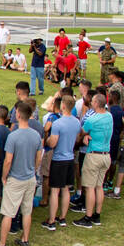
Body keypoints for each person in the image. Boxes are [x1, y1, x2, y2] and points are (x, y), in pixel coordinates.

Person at [41, 92, 80, 231]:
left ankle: (51, 220)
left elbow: (52, 144)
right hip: (69, 158)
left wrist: (47, 136)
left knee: (55, 190)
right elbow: (76, 138)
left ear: (63, 106)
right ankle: (62, 217)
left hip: (58, 159)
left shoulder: (57, 123)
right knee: (66, 189)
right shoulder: (76, 122)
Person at [74, 93, 112, 228]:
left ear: (96, 103)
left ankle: (88, 217)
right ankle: (97, 214)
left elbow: (81, 133)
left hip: (94, 155)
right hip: (106, 154)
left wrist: (85, 137)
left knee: (90, 187)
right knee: (99, 186)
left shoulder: (92, 120)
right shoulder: (109, 116)